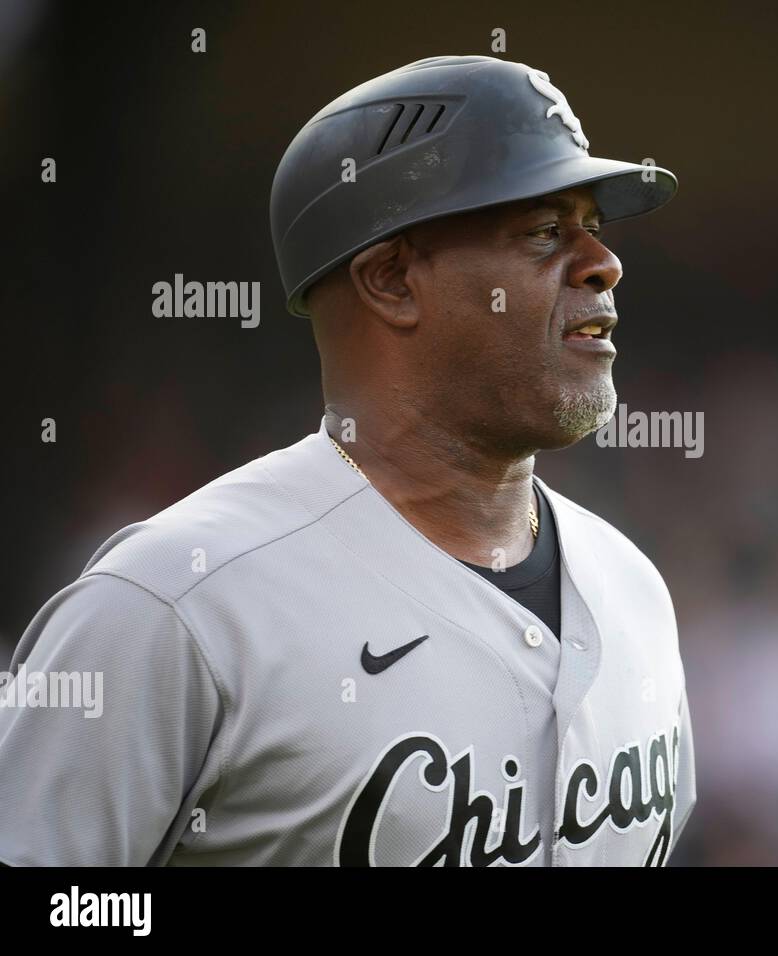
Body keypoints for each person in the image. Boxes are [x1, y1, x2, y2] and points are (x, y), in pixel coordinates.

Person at [0, 55, 695, 867]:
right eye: (544, 232)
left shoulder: (632, 587)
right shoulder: (175, 604)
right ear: (392, 279)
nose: (602, 264)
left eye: (595, 229)